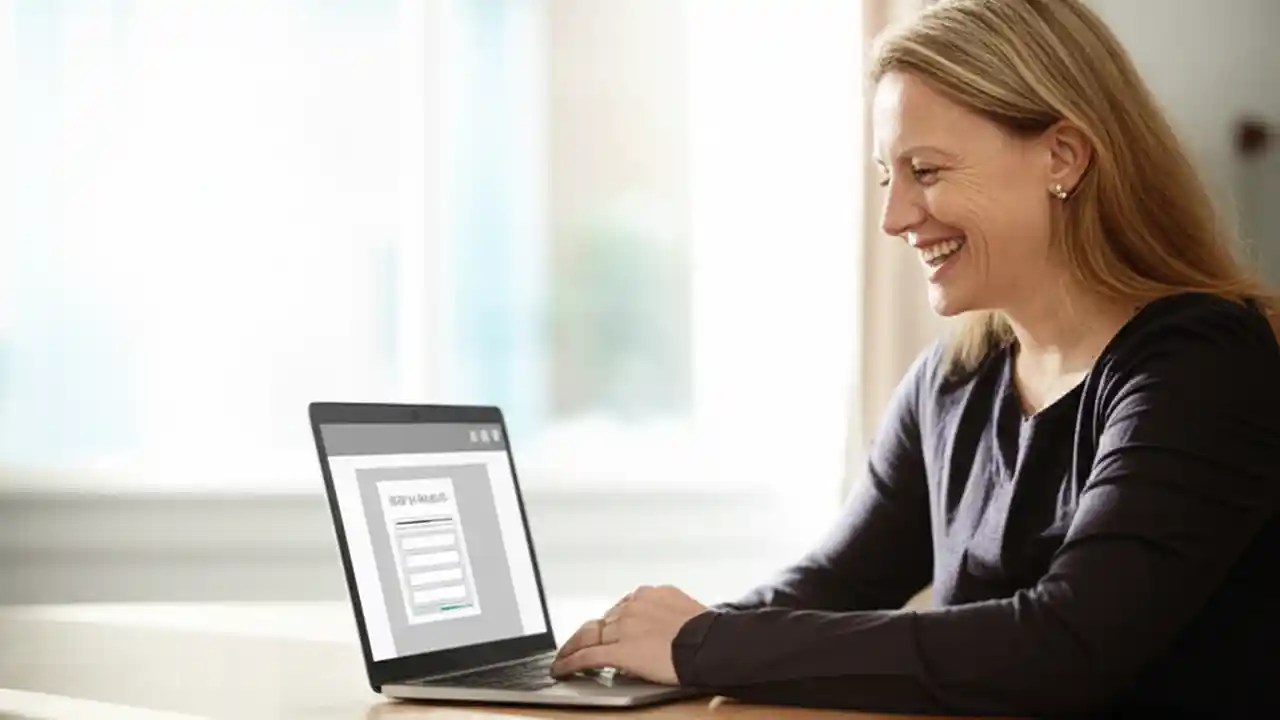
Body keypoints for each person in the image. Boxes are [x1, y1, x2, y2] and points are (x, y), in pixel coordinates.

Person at [549, 0, 1280, 715]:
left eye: (925, 171)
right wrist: (644, 654)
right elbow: (831, 585)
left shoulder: (1202, 366)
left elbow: (1063, 645)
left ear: (1062, 155)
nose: (895, 217)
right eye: (886, 177)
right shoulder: (951, 383)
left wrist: (708, 643)